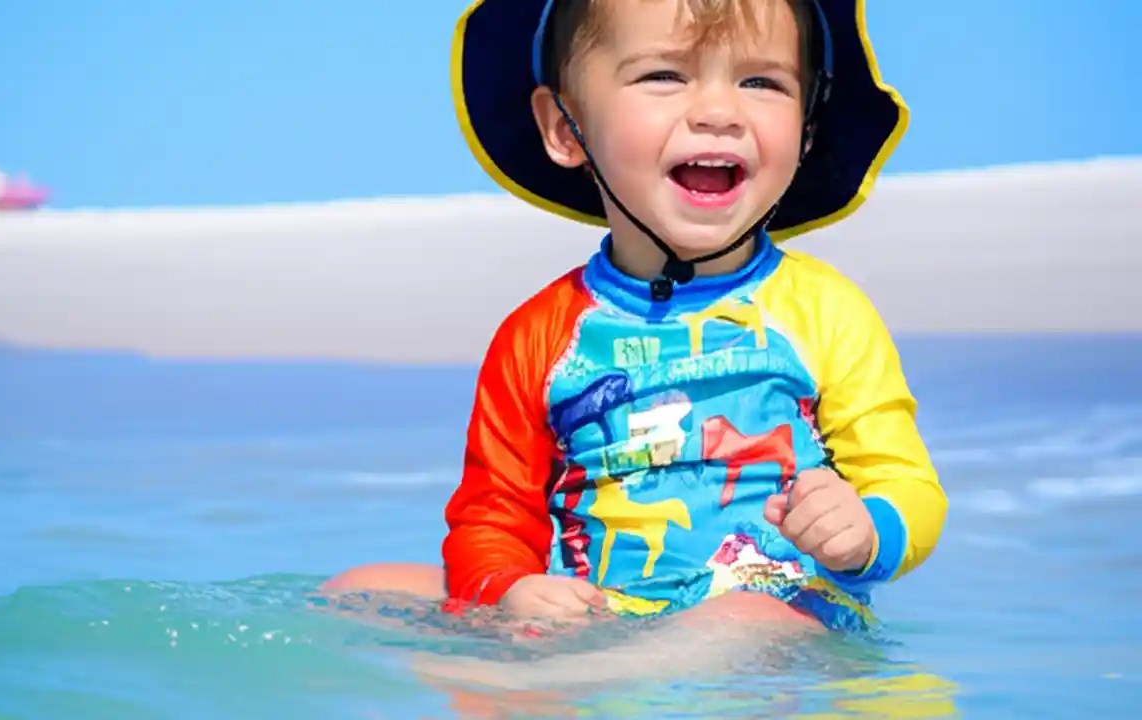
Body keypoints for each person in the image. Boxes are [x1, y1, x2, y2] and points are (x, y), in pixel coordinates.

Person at [325, 0, 948, 635]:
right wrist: (509, 589)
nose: (718, 113)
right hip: (600, 612)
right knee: (357, 591)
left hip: (778, 616)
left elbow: (906, 483)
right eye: (665, 76)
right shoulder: (540, 335)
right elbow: (493, 516)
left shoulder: (824, 312)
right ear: (566, 128)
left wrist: (865, 531)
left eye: (761, 82)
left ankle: (560, 688)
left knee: (742, 620)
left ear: (807, 129)